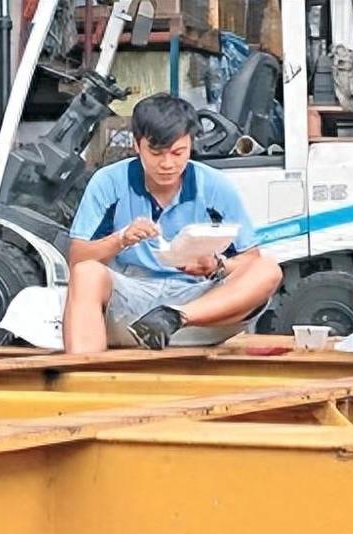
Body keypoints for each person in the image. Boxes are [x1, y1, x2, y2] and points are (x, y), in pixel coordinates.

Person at [62, 93, 282, 352]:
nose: (167, 164)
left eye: (178, 153)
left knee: (268, 269)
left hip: (198, 308)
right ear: (137, 145)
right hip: (131, 302)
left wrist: (217, 266)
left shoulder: (214, 186)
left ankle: (171, 319)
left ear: (190, 144)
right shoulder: (108, 182)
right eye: (156, 153)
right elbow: (77, 257)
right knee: (86, 273)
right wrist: (120, 239)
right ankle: (86, 375)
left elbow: (250, 259)